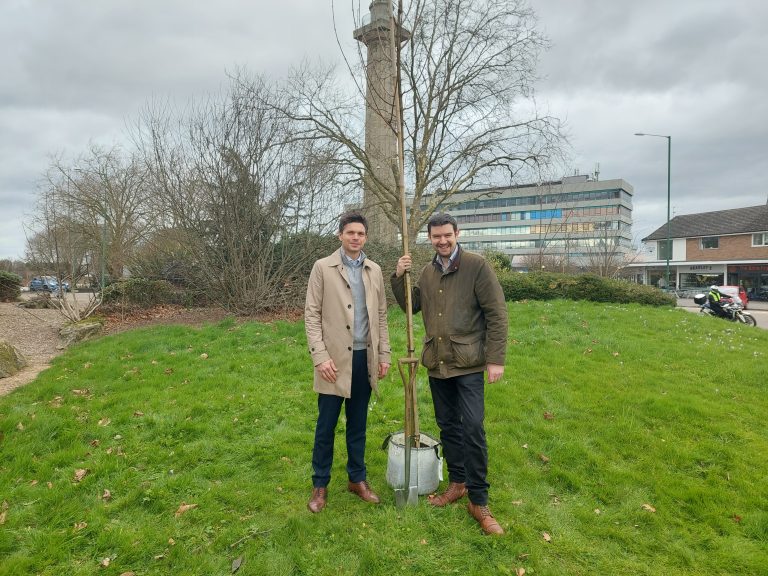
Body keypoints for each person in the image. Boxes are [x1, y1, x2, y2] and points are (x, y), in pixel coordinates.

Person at [391, 212, 508, 535]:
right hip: (438, 363)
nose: (442, 241)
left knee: (472, 426)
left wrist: (495, 359)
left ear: (457, 233)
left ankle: (479, 500)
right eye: (436, 236)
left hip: (468, 363)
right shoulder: (427, 272)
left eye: (447, 235)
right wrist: (399, 277)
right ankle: (457, 482)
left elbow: (497, 314)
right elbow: (411, 307)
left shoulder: (476, 266)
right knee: (448, 426)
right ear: (429, 238)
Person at [305, 211, 391, 513]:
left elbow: (380, 316)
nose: (356, 237)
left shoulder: (374, 270)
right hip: (333, 362)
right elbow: (311, 315)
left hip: (363, 359)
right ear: (340, 235)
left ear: (366, 237)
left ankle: (357, 479)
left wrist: (383, 355)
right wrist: (320, 357)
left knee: (358, 424)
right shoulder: (322, 268)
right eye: (351, 232)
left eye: (361, 234)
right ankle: (320, 485)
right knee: (325, 426)